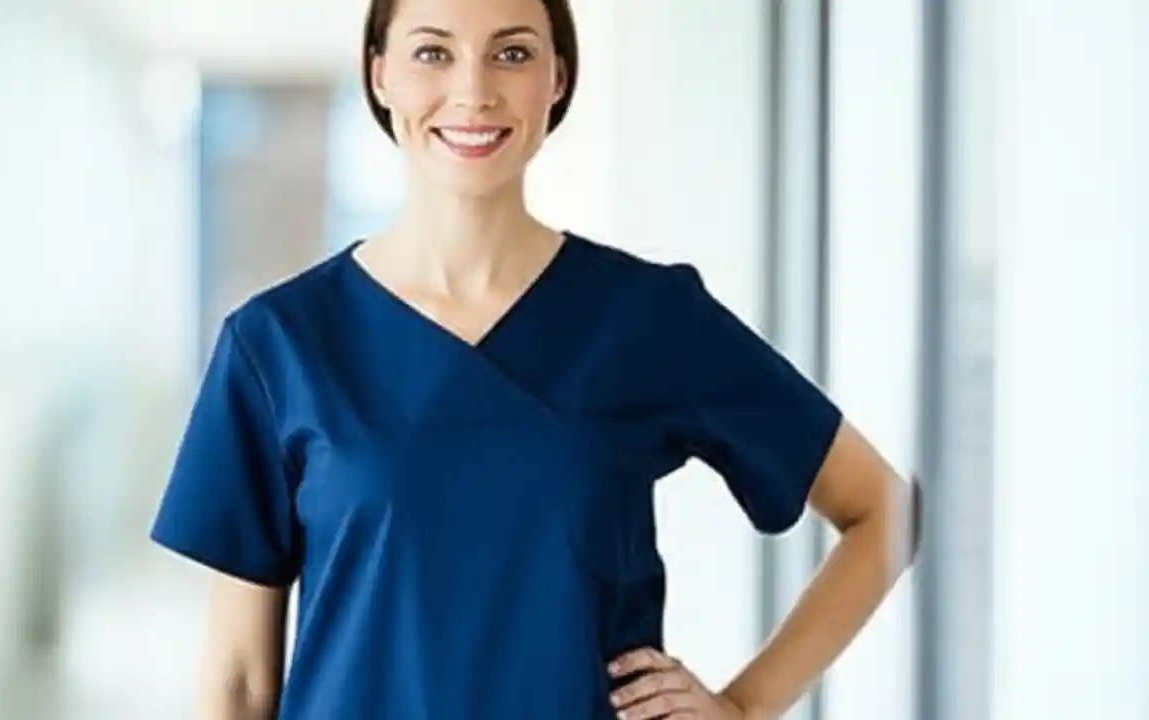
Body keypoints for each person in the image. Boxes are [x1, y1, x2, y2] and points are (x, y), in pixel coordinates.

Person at [149, 0, 920, 717]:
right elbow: (241, 677)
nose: (473, 90)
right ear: (380, 72)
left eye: (511, 53)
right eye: (433, 53)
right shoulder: (279, 345)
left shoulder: (650, 319)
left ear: (558, 76)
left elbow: (883, 510)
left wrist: (746, 707)